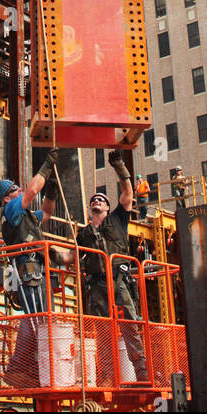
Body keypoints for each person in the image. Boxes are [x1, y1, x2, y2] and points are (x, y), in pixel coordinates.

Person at [77, 151, 148, 383]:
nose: (97, 201)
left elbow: (128, 193)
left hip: (118, 280)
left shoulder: (117, 219)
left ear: (107, 208)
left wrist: (120, 167)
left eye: (102, 200)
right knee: (103, 331)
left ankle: (141, 370)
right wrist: (52, 256)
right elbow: (72, 256)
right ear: (90, 210)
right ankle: (108, 374)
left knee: (129, 323)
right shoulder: (84, 234)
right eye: (94, 200)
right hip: (97, 284)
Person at [0, 149, 59, 389]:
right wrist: (47, 166)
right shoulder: (11, 211)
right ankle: (19, 366)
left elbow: (48, 212)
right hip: (27, 269)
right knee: (33, 316)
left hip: (38, 269)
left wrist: (51, 189)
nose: (18, 190)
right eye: (14, 189)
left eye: (17, 187)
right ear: (6, 198)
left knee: (43, 318)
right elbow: (31, 192)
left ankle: (35, 366)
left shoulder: (27, 216)